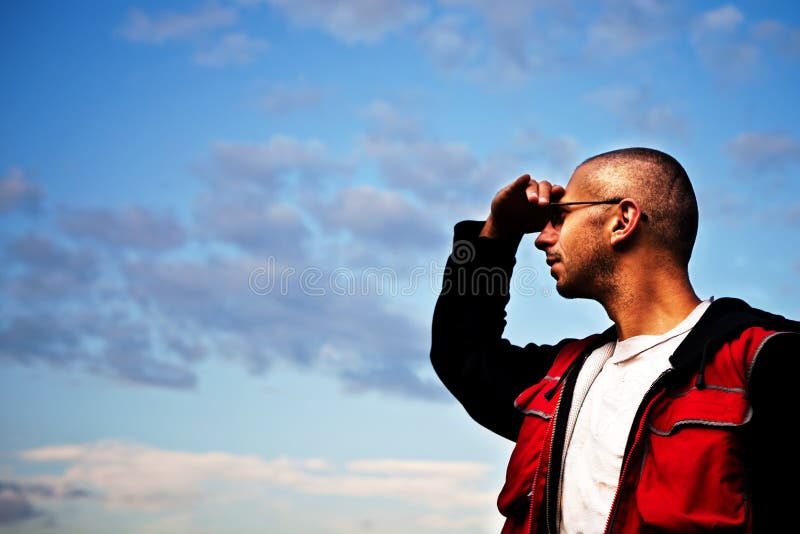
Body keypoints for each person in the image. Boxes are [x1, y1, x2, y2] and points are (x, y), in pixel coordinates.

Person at [430, 147, 799, 533]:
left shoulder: (768, 362)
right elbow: (462, 351)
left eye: (560, 217)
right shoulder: (561, 378)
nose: (541, 238)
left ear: (622, 221)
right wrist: (497, 233)